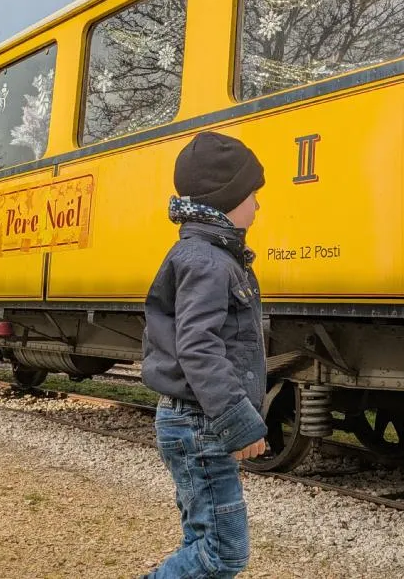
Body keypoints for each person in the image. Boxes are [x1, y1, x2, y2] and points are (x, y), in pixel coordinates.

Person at [141, 131, 268, 578]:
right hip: (201, 423)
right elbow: (198, 348)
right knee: (222, 553)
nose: (257, 206)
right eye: (253, 194)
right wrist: (238, 422)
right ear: (230, 198)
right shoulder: (209, 262)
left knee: (201, 539)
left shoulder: (207, 256)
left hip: (195, 421)